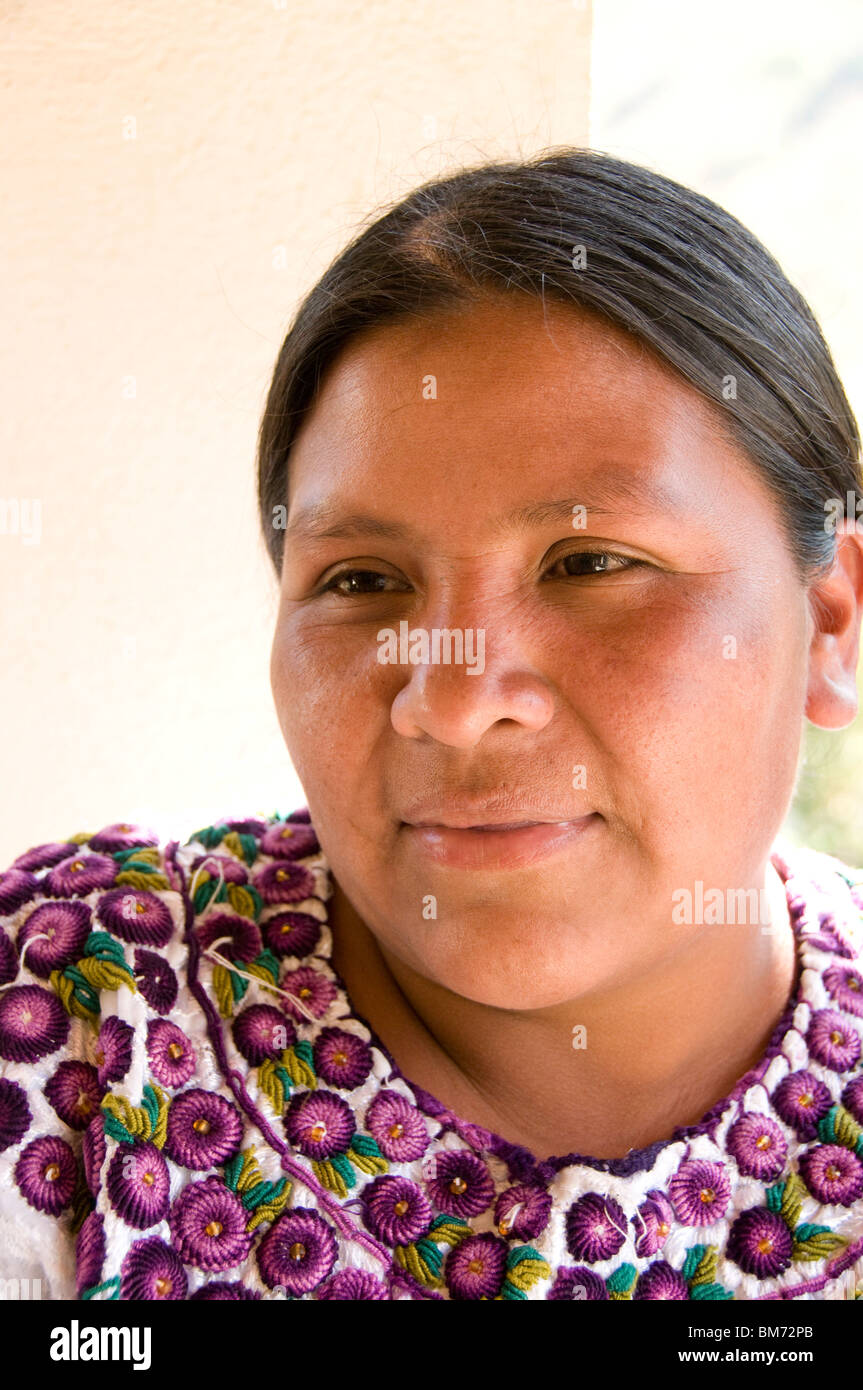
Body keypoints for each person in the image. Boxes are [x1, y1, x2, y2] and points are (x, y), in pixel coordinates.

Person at [2, 148, 863, 1302]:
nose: (450, 699)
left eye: (590, 561)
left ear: (828, 621)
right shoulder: (73, 1013)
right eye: (360, 581)